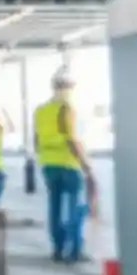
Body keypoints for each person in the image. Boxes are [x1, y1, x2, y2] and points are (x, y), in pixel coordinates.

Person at [33, 68, 95, 263]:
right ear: (70, 87)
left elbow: (36, 139)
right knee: (75, 207)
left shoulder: (41, 111)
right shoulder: (67, 108)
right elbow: (72, 139)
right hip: (69, 164)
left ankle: (58, 249)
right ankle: (75, 250)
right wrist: (86, 165)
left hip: (49, 165)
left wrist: (44, 157)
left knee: (55, 207)